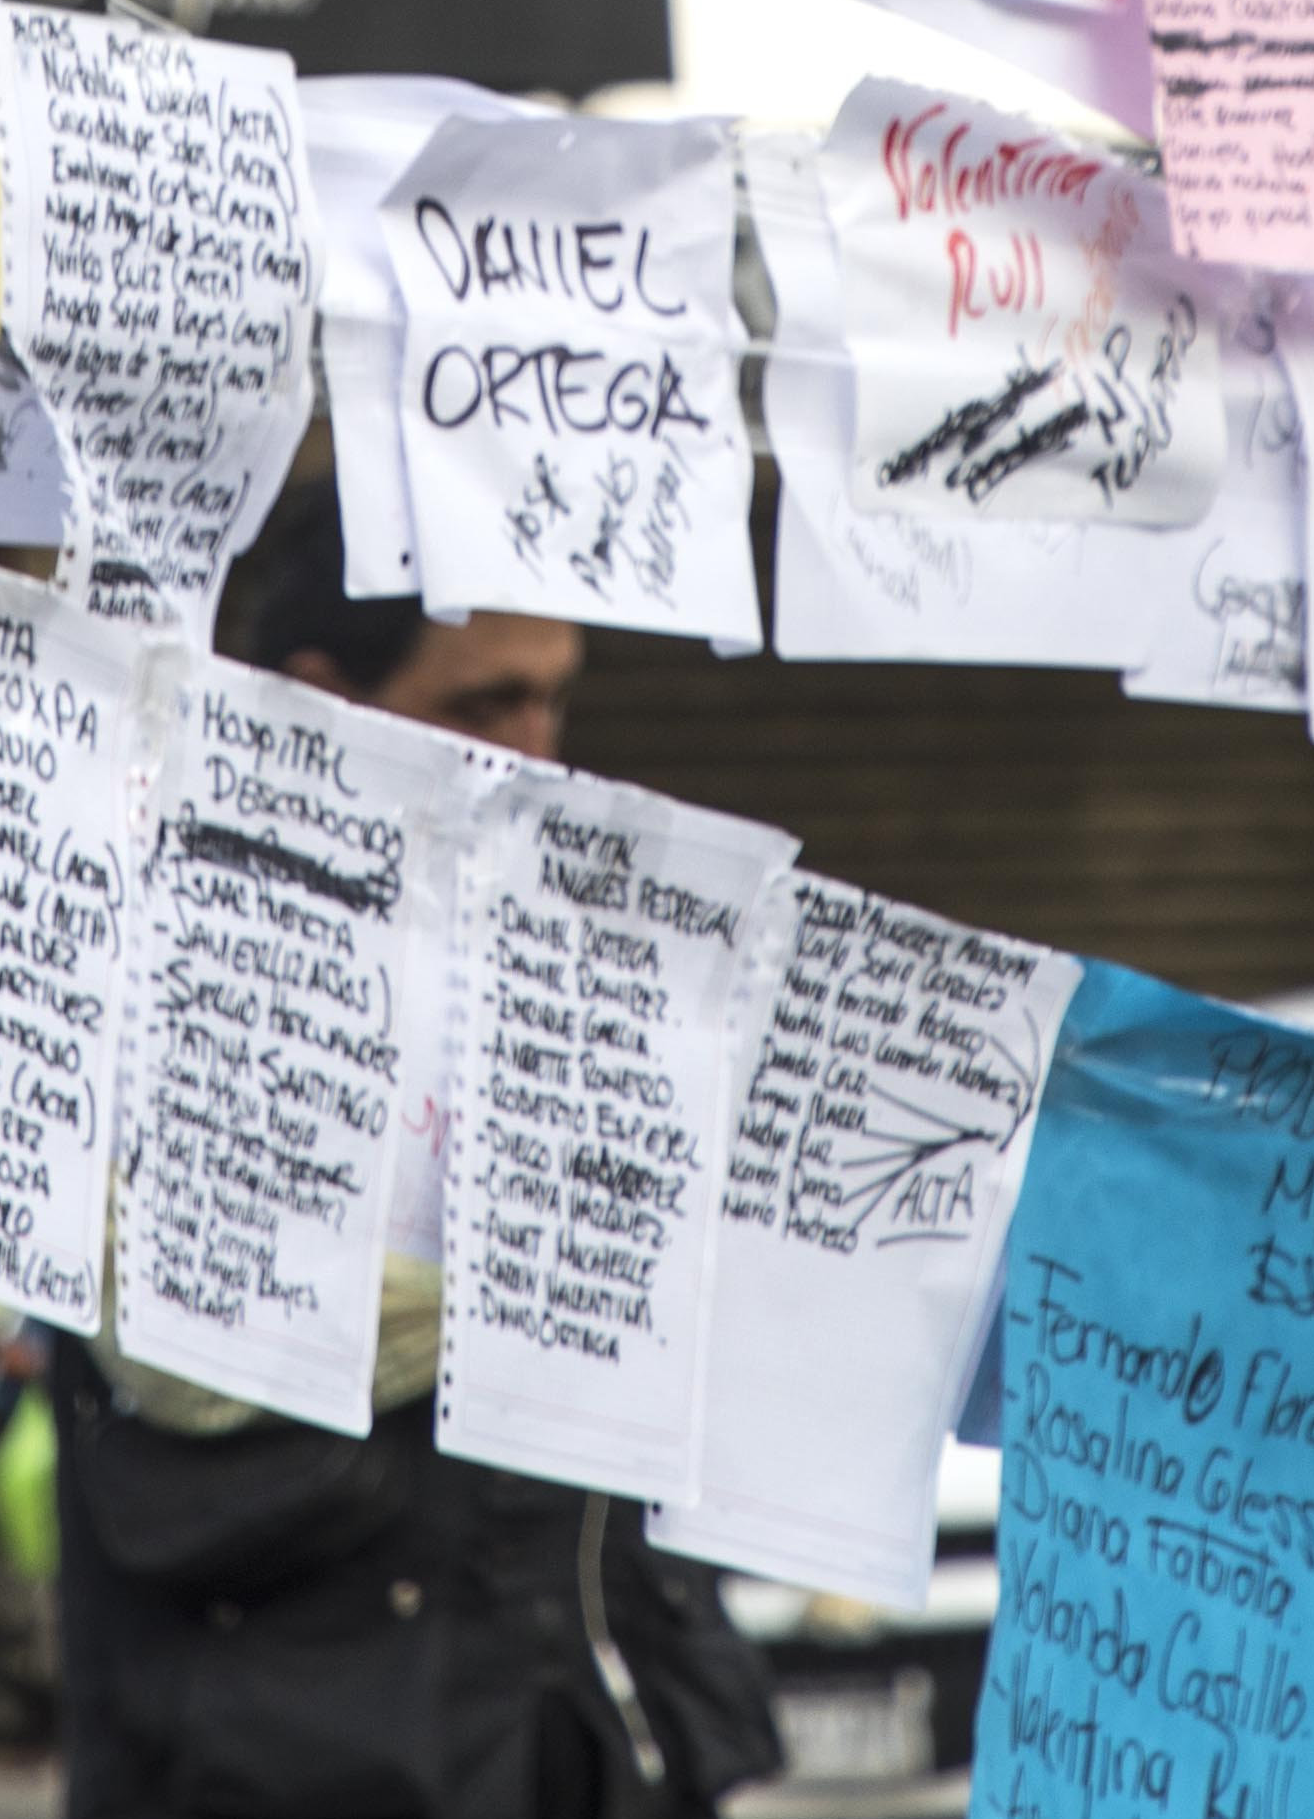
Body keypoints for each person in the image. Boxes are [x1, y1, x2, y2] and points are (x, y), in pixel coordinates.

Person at [52, 501, 782, 1819]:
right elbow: (179, 1341)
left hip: (580, 1731)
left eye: (554, 702)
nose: (537, 755)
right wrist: (596, 1236)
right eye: (487, 705)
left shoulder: (587, 965)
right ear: (322, 705)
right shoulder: (149, 955)